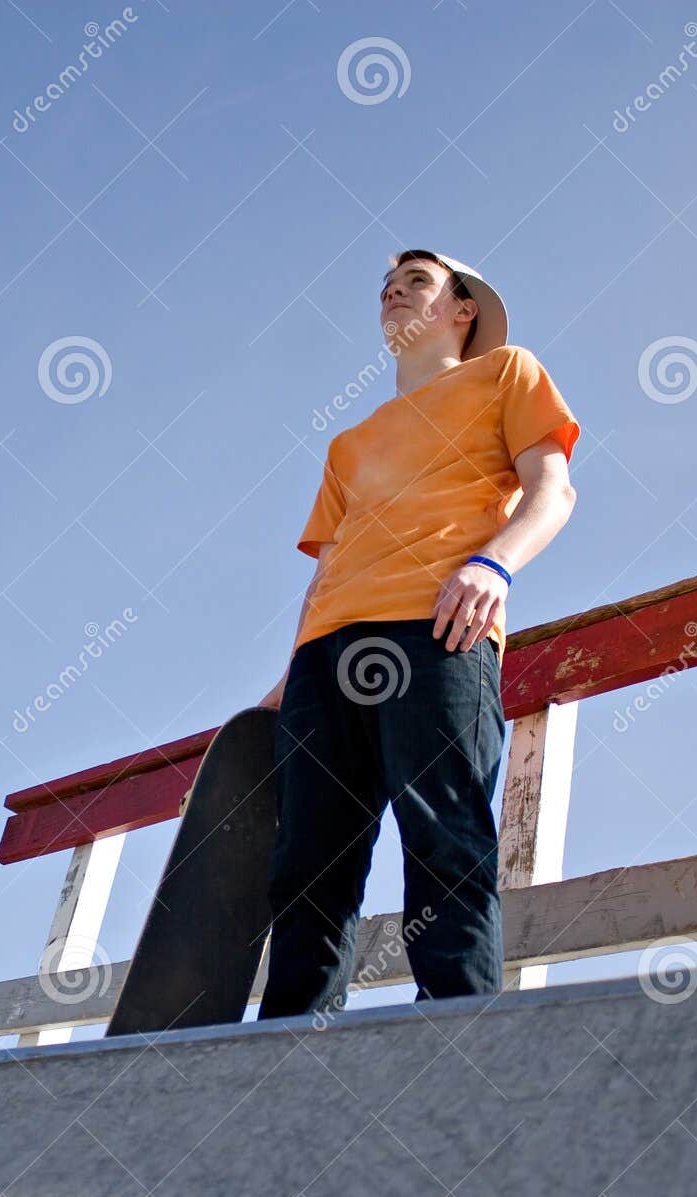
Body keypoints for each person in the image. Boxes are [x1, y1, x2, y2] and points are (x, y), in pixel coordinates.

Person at [256, 248, 581, 1019]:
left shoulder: (506, 373)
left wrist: (494, 565)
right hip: (324, 656)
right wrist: (282, 680)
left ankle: (456, 1041)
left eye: (417, 284)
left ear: (462, 310)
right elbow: (325, 568)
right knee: (305, 862)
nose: (394, 294)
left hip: (437, 628)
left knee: (443, 835)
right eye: (386, 288)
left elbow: (553, 489)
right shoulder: (347, 445)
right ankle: (283, 1053)